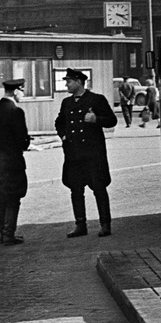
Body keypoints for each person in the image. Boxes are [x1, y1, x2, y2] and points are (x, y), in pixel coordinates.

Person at [56, 68, 118, 237]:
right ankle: (80, 225)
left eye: (69, 81)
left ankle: (105, 224)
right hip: (73, 154)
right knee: (75, 190)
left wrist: (96, 119)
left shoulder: (96, 99)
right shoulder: (66, 103)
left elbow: (112, 120)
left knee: (99, 188)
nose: (67, 85)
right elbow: (59, 122)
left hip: (93, 154)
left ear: (79, 82)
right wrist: (63, 136)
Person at [0, 79, 32, 246]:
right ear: (16, 91)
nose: (23, 95)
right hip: (11, 161)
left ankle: (1, 234)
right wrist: (26, 142)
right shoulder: (16, 111)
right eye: (22, 91)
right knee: (13, 198)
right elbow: (22, 140)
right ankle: (8, 234)